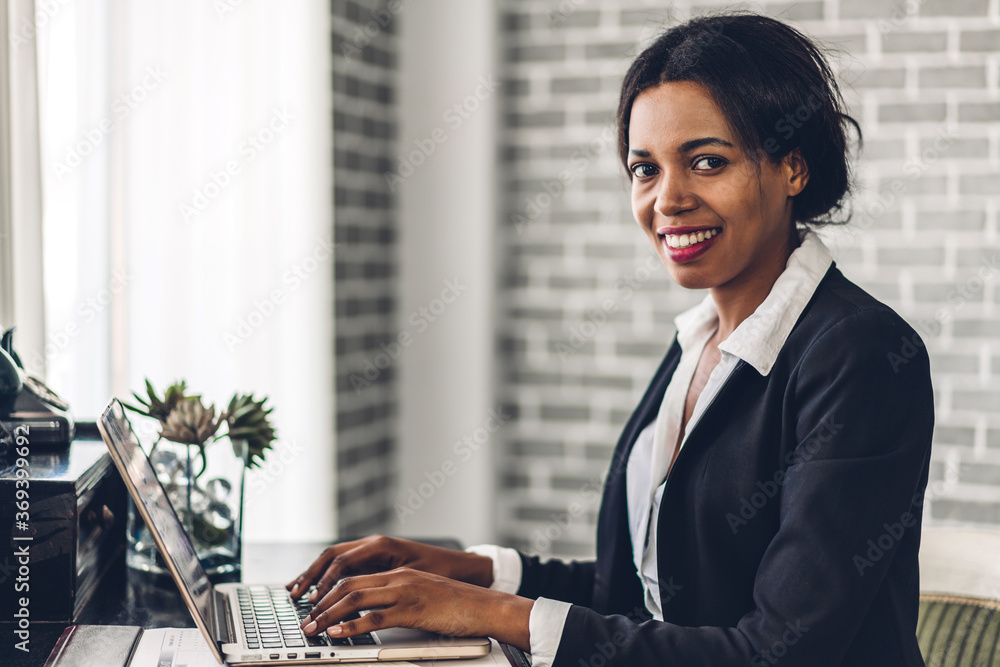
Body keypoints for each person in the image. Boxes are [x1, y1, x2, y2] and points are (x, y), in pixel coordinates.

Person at [287, 12, 934, 666]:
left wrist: (490, 612)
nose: (668, 199)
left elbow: (776, 652)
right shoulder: (705, 339)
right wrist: (468, 573)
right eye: (644, 169)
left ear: (792, 166)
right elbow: (645, 596)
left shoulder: (861, 353)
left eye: (707, 161)